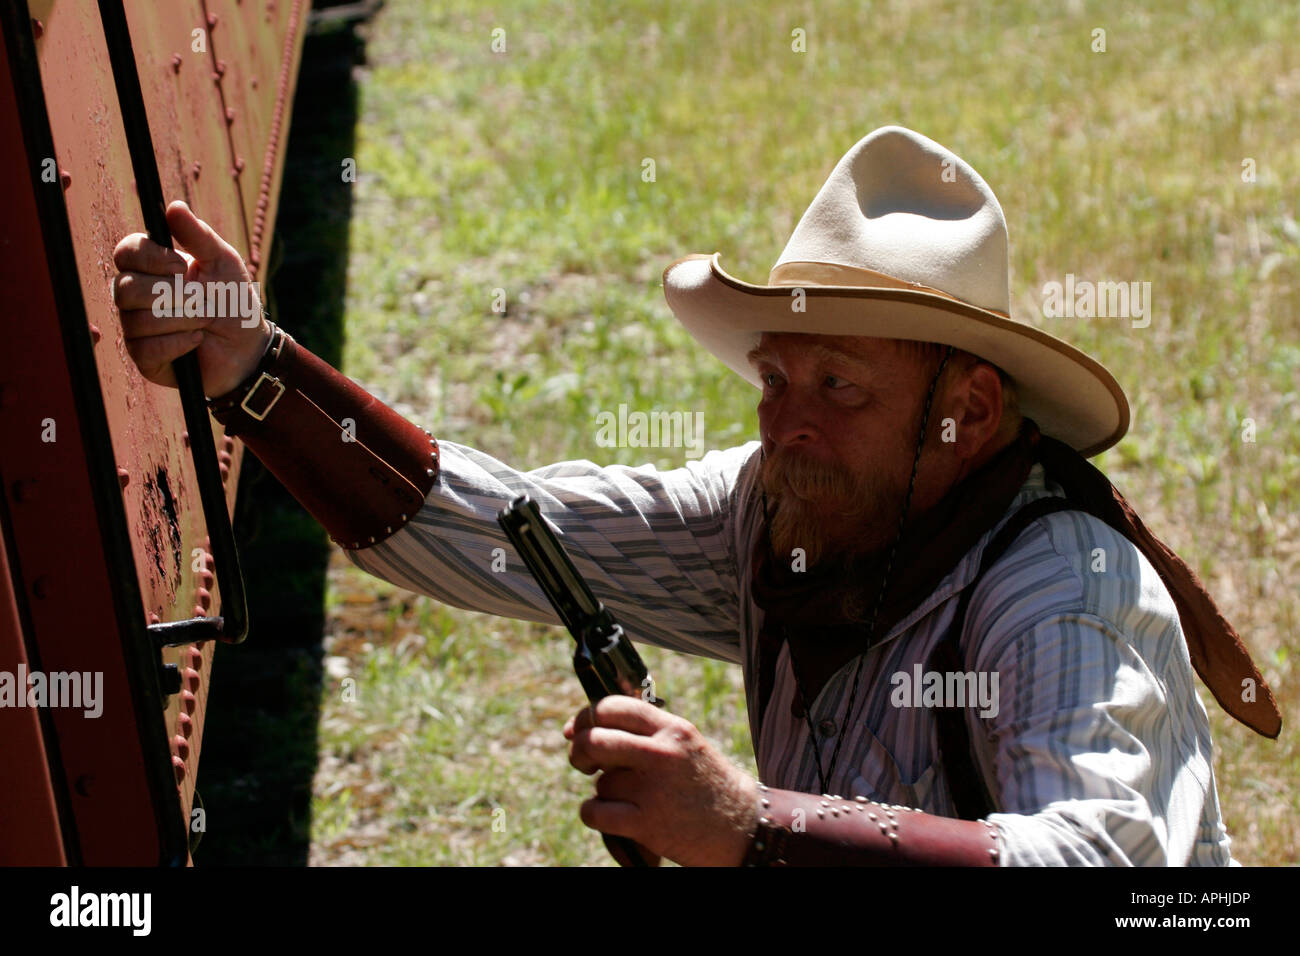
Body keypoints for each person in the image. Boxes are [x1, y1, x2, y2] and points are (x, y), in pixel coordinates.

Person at [112, 125, 1279, 866]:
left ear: (967, 413)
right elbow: (505, 532)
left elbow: (1100, 868)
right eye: (775, 379)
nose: (787, 423)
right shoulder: (775, 506)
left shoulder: (1059, 591)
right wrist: (253, 369)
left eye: (840, 387)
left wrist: (753, 825)